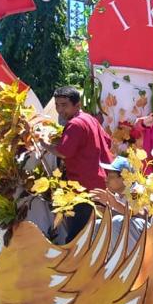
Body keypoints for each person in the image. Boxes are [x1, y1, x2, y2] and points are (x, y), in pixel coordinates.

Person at [51, 86, 114, 243]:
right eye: (57, 105)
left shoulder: (75, 124)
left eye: (64, 105)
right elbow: (108, 141)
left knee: (76, 239)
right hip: (101, 186)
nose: (59, 110)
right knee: (95, 236)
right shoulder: (90, 119)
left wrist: (43, 143)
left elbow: (64, 152)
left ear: (77, 105)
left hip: (83, 190)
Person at [90, 155, 148, 251]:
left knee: (117, 220)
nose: (106, 179)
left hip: (146, 239)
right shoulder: (117, 195)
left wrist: (115, 204)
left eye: (111, 176)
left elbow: (140, 213)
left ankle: (126, 261)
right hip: (130, 238)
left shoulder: (137, 190)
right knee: (97, 224)